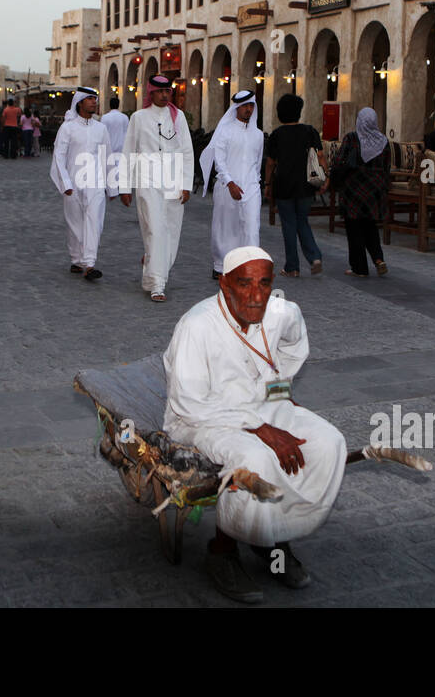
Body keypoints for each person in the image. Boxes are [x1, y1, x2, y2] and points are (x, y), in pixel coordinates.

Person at [163, 246, 347, 604]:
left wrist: (279, 387)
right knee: (255, 460)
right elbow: (188, 402)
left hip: (262, 405)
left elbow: (295, 344)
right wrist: (260, 429)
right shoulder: (196, 325)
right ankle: (222, 551)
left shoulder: (281, 311)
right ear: (224, 283)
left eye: (264, 284)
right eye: (244, 284)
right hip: (202, 418)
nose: (256, 295)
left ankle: (273, 540)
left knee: (328, 442)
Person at [119, 74, 194, 302]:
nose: (164, 95)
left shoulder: (178, 117)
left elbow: (186, 151)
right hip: (147, 180)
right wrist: (125, 186)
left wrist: (186, 184)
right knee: (155, 229)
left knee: (170, 232)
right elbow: (128, 151)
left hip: (173, 182)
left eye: (167, 91)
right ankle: (157, 285)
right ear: (151, 93)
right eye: (159, 91)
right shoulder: (138, 118)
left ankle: (152, 261)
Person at [199, 91, 264, 280]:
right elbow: (219, 161)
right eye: (245, 106)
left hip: (251, 188)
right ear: (237, 108)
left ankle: (251, 266)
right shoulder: (225, 132)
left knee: (251, 227)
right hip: (227, 187)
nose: (248, 109)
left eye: (251, 105)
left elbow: (257, 163)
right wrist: (230, 182)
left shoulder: (258, 135)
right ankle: (222, 265)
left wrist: (255, 184)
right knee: (227, 229)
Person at [51, 87, 109, 280]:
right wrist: (65, 183)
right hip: (73, 181)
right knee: (75, 223)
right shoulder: (67, 128)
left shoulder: (101, 128)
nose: (94, 102)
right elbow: (59, 156)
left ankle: (90, 263)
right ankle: (77, 259)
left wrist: (112, 185)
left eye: (95, 99)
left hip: (95, 181)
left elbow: (107, 156)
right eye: (90, 99)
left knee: (95, 221)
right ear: (80, 102)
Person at [263, 94, 325, 277]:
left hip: (284, 185)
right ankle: (314, 257)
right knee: (302, 220)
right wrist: (325, 177)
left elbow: (270, 163)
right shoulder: (310, 131)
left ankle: (292, 267)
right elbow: (320, 156)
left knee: (289, 224)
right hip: (306, 184)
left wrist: (267, 184)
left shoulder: (276, 135)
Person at [330, 107, 390, 277]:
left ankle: (360, 268)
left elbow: (340, 160)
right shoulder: (384, 142)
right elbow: (387, 168)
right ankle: (378, 259)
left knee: (354, 228)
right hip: (375, 191)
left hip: (354, 190)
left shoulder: (352, 138)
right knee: (370, 226)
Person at [100, 96, 130, 200]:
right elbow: (127, 132)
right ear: (118, 104)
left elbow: (102, 134)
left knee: (108, 166)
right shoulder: (124, 117)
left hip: (109, 145)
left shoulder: (105, 118)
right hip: (121, 145)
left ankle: (110, 185)